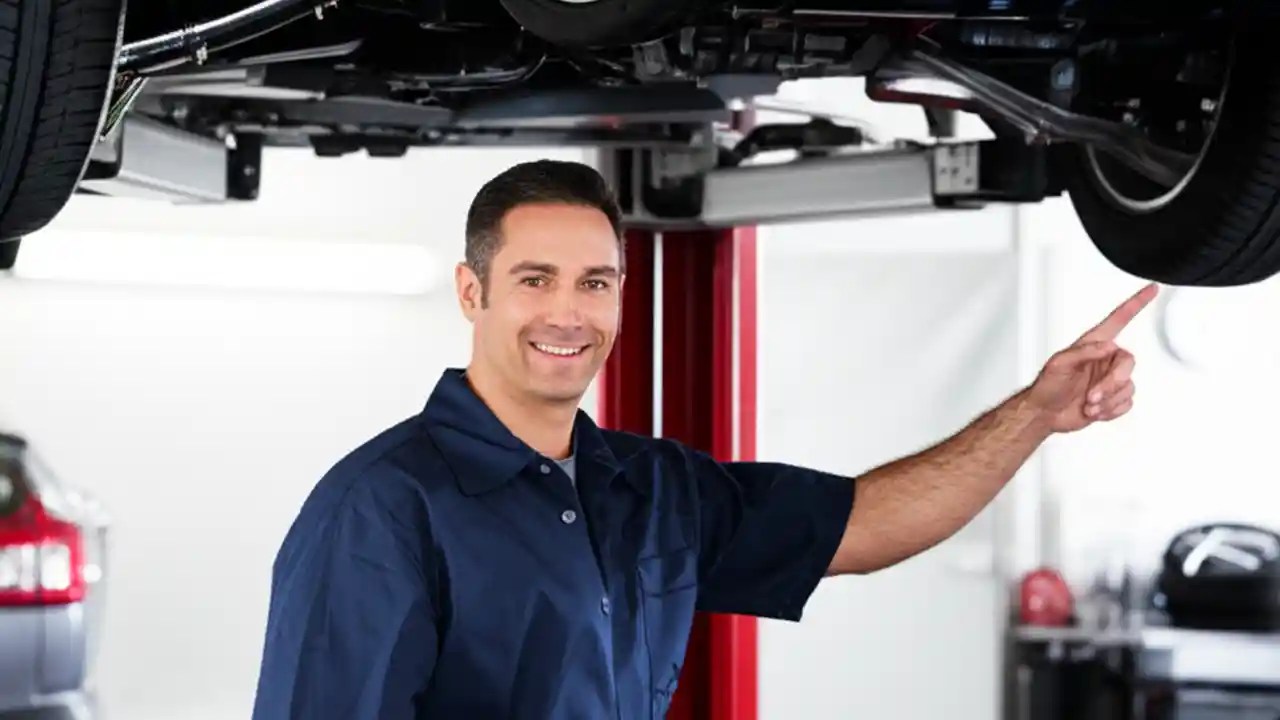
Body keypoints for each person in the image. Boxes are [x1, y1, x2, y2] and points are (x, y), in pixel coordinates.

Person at [250, 159, 1156, 720]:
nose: (568, 313)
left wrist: (1034, 414)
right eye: (535, 279)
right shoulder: (380, 509)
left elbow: (869, 525)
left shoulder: (649, 488)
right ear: (471, 292)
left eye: (596, 283)